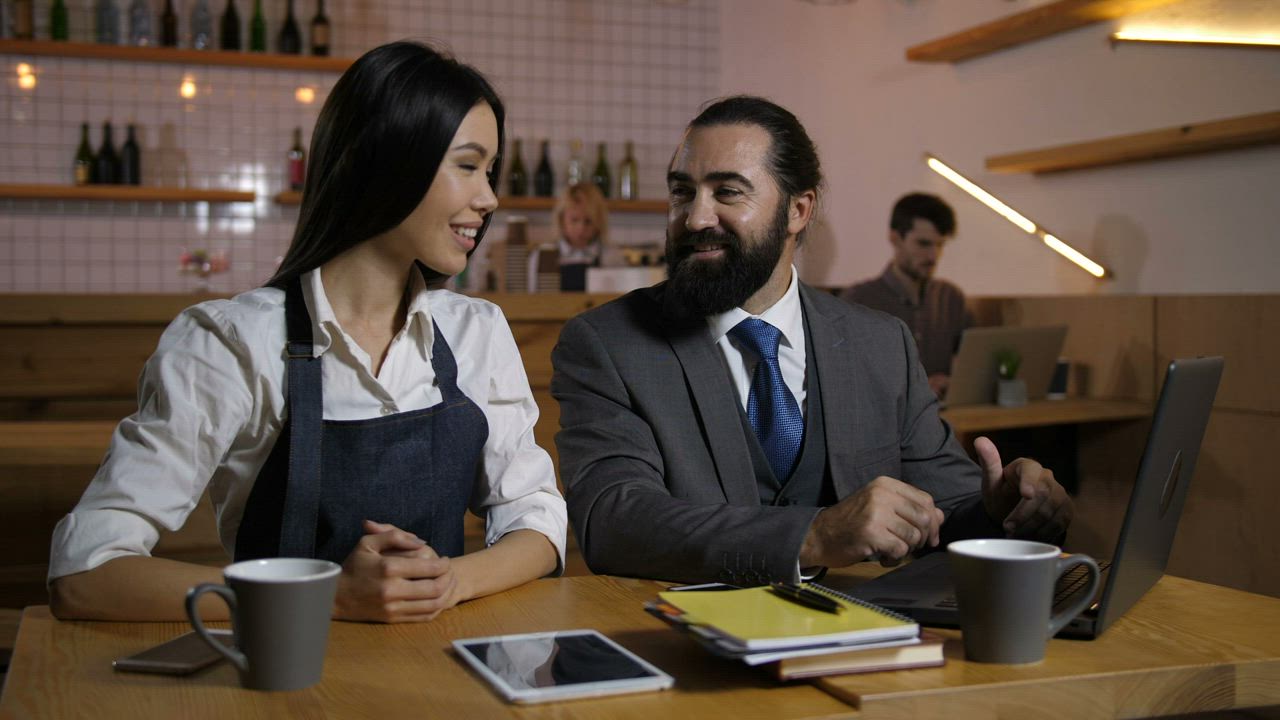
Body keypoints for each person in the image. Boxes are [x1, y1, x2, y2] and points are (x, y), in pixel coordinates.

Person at [48, 42, 567, 623]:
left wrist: (447, 583)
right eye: (468, 166)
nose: (489, 198)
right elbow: (84, 575)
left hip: (440, 665)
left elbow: (537, 521)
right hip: (286, 667)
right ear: (385, 160)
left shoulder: (476, 331)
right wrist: (330, 596)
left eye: (490, 172)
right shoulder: (232, 342)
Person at [550, 96, 1071, 585]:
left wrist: (1004, 509)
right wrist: (813, 536)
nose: (695, 217)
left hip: (866, 637)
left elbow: (950, 509)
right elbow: (614, 521)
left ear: (798, 211)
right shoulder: (608, 343)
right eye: (682, 192)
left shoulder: (881, 344)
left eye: (727, 192)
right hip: (681, 638)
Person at [839, 193, 971, 399]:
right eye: (923, 244)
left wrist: (953, 382)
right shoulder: (859, 300)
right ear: (895, 238)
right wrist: (915, 389)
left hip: (943, 414)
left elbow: (973, 363)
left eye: (940, 245)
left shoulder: (950, 298)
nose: (933, 256)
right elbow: (843, 376)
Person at [554, 182, 609, 291]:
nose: (581, 228)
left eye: (588, 221)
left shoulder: (611, 257)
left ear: (598, 223)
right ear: (561, 221)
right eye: (574, 220)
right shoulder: (544, 256)